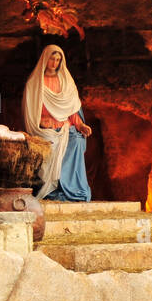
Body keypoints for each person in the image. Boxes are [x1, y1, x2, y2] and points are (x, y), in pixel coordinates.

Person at [23, 44, 91, 202]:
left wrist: (80, 125)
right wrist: (40, 120)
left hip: (66, 126)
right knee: (51, 143)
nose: (54, 63)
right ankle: (53, 188)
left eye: (58, 60)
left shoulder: (66, 81)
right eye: (52, 59)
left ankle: (72, 188)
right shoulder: (35, 83)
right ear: (45, 59)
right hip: (45, 129)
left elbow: (71, 108)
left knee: (78, 140)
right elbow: (31, 109)